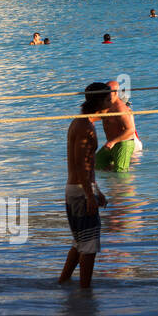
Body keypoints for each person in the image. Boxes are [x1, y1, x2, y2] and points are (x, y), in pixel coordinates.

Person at [60, 83, 112, 288]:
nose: (111, 104)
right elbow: (82, 165)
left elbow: (86, 166)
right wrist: (90, 196)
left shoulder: (80, 123)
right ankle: (85, 291)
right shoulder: (84, 128)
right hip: (80, 191)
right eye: (108, 100)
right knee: (89, 246)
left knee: (80, 242)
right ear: (99, 103)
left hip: (78, 188)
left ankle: (63, 283)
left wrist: (97, 190)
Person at [96, 80, 138, 172]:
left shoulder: (121, 109)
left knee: (120, 172)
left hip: (124, 143)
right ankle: (111, 183)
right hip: (111, 143)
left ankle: (125, 182)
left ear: (115, 93)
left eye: (107, 91)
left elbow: (130, 130)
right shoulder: (106, 105)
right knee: (97, 164)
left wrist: (113, 142)